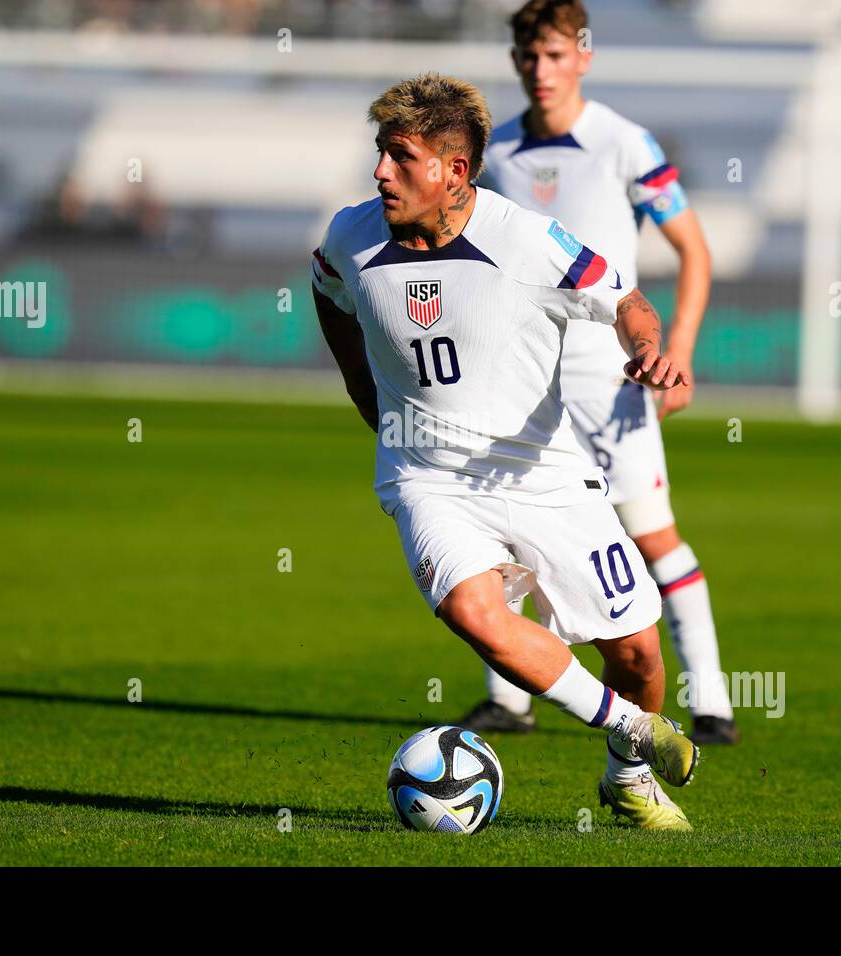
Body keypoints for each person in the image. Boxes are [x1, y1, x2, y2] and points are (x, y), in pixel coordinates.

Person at [311, 72, 700, 830]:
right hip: (428, 479)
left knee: (640, 656)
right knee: (475, 611)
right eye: (379, 155)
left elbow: (624, 300)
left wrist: (650, 349)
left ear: (454, 171)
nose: (380, 173)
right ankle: (630, 729)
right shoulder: (350, 236)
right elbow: (327, 291)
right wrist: (364, 386)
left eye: (399, 156)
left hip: (545, 475)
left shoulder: (524, 240)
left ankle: (627, 780)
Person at [463, 0, 738, 745]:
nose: (541, 70)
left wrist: (674, 349)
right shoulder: (497, 151)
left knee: (653, 537)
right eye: (529, 56)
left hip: (610, 378)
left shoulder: (625, 144)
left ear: (582, 56)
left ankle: (710, 700)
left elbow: (695, 251)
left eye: (556, 55)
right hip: (521, 380)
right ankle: (508, 701)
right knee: (504, 536)